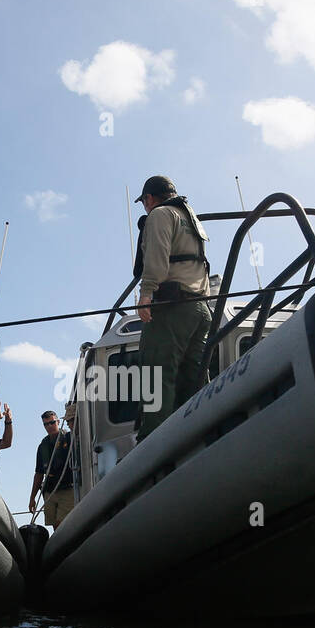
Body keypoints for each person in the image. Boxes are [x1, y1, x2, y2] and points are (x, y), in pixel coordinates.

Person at [134, 174, 212, 441]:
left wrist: (146, 295)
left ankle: (153, 449)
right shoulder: (191, 218)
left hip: (173, 308)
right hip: (200, 309)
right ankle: (201, 439)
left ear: (150, 198)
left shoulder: (160, 215)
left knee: (155, 376)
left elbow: (157, 258)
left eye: (144, 202)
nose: (145, 207)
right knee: (194, 382)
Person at [29, 410, 76, 529]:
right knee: (55, 526)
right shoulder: (42, 446)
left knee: (63, 524)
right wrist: (32, 497)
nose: (49, 426)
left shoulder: (69, 438)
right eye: (45, 424)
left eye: (52, 423)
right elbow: (39, 473)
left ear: (58, 422)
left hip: (67, 488)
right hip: (49, 490)